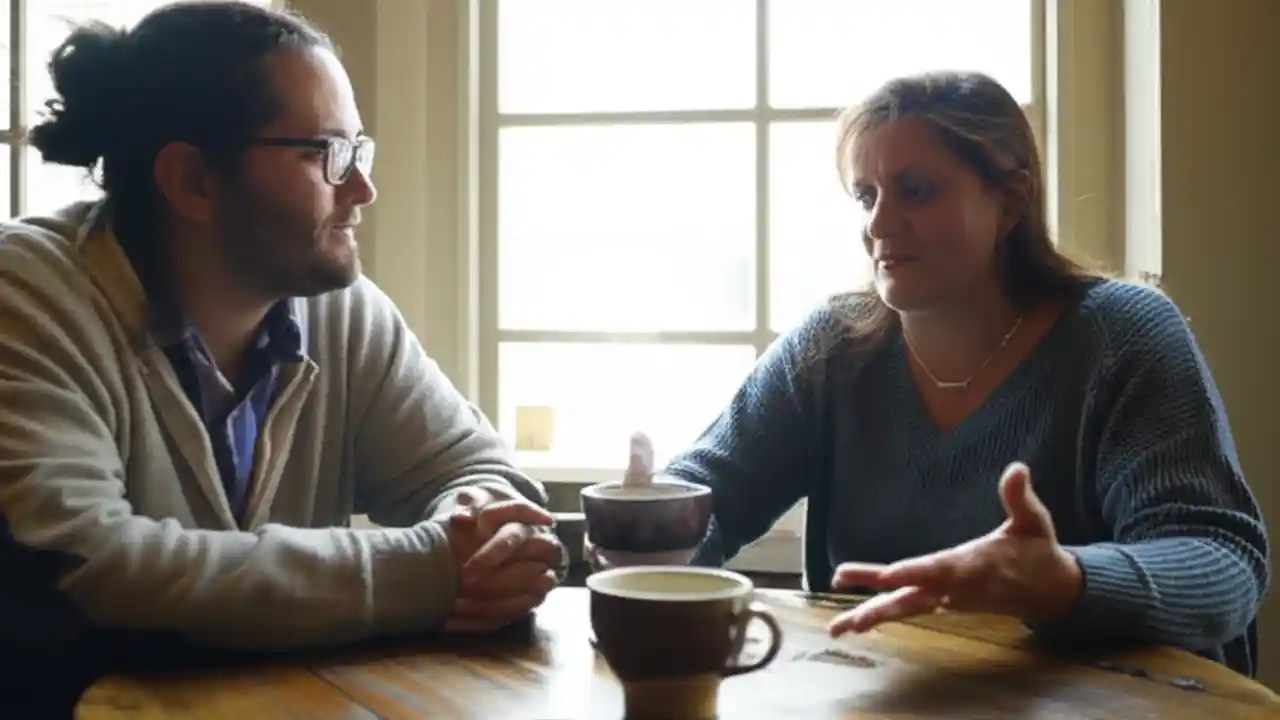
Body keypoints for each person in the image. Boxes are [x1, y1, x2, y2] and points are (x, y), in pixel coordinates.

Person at [0, 0, 563, 698]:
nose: (363, 188)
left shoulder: (343, 311)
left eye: (359, 151)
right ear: (192, 181)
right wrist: (427, 568)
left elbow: (476, 471)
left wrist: (488, 537)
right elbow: (87, 570)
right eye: (325, 154)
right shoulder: (27, 293)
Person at [663, 71, 1269, 676]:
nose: (878, 226)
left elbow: (1223, 563)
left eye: (917, 190)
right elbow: (704, 494)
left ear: (1010, 201)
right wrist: (641, 521)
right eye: (866, 196)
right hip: (882, 703)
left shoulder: (1122, 336)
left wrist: (1065, 582)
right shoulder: (831, 349)